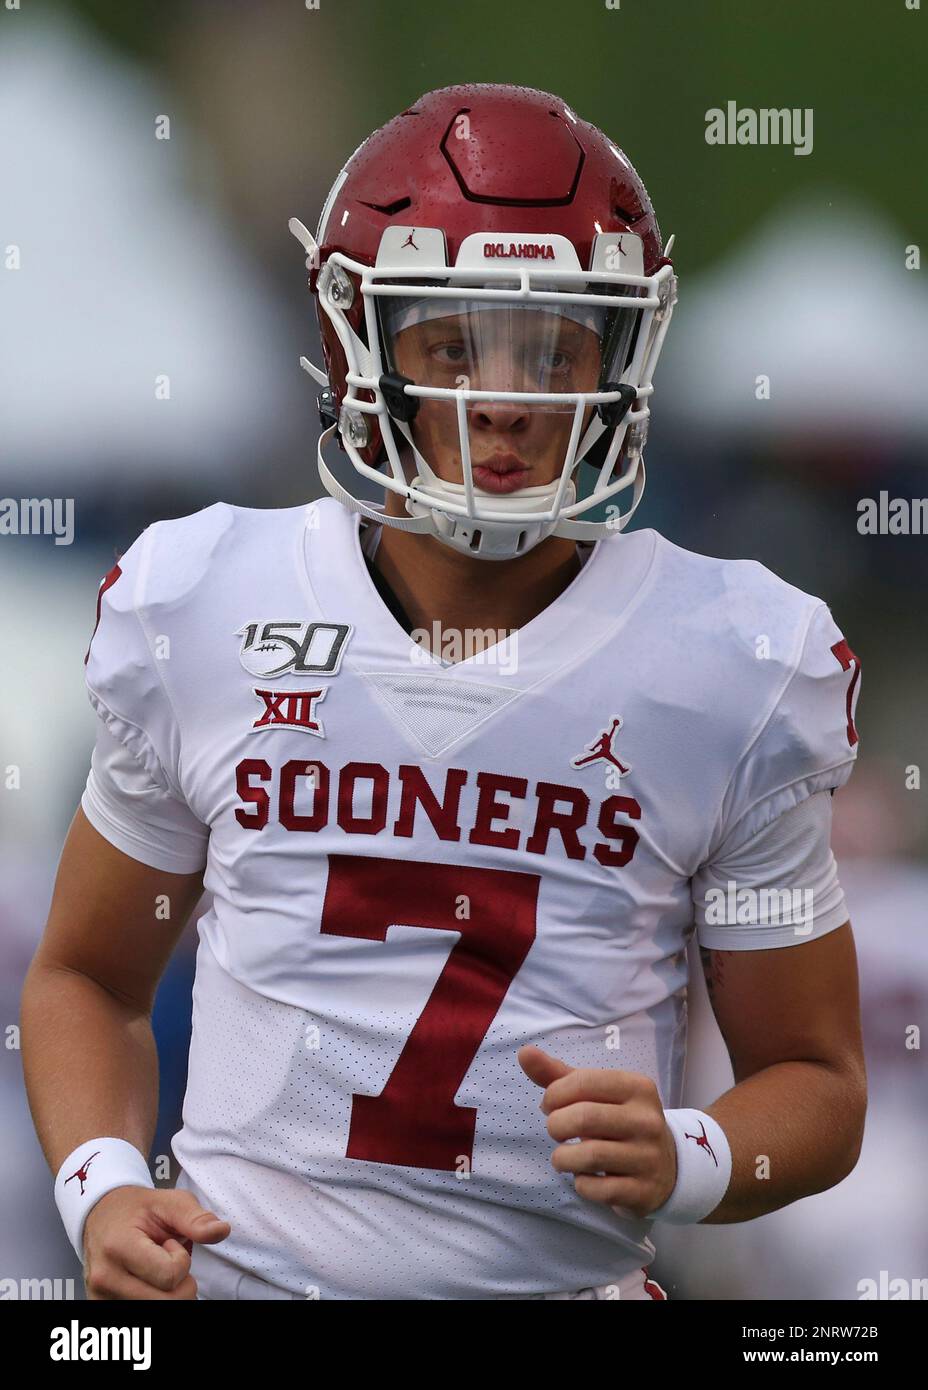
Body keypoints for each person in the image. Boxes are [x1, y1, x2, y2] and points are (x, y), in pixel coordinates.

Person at [22, 83, 866, 1302]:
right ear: (360, 342)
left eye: (556, 341)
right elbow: (88, 978)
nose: (511, 394)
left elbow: (820, 1078)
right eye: (454, 340)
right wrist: (101, 1186)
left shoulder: (733, 659)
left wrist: (699, 1152)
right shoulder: (203, 602)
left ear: (621, 352)